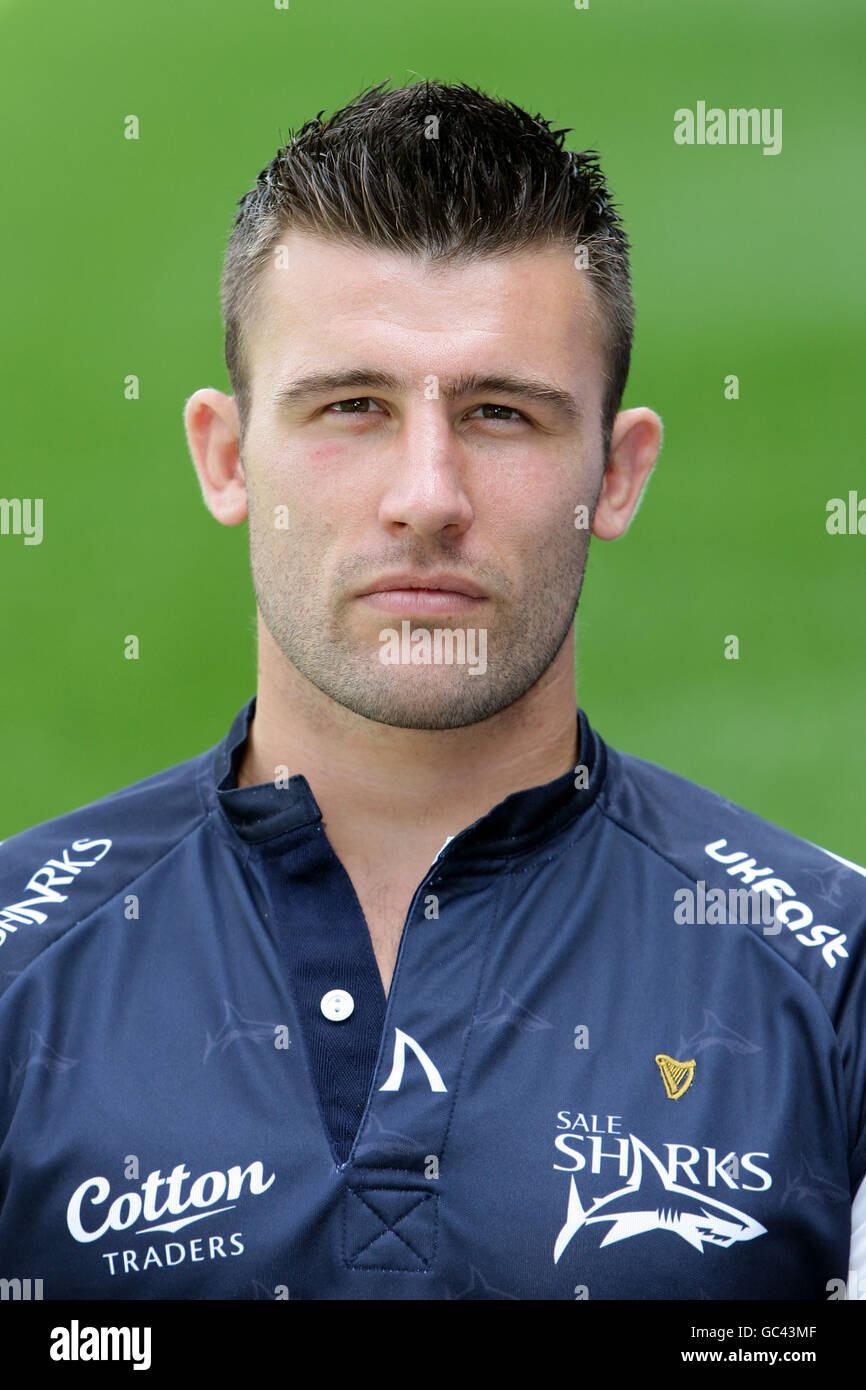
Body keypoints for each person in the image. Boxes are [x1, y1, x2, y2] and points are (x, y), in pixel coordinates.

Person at [0, 80, 863, 1301]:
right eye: (350, 407)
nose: (427, 494)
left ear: (614, 475)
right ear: (226, 455)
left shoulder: (829, 979)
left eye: (500, 413)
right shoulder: (17, 968)